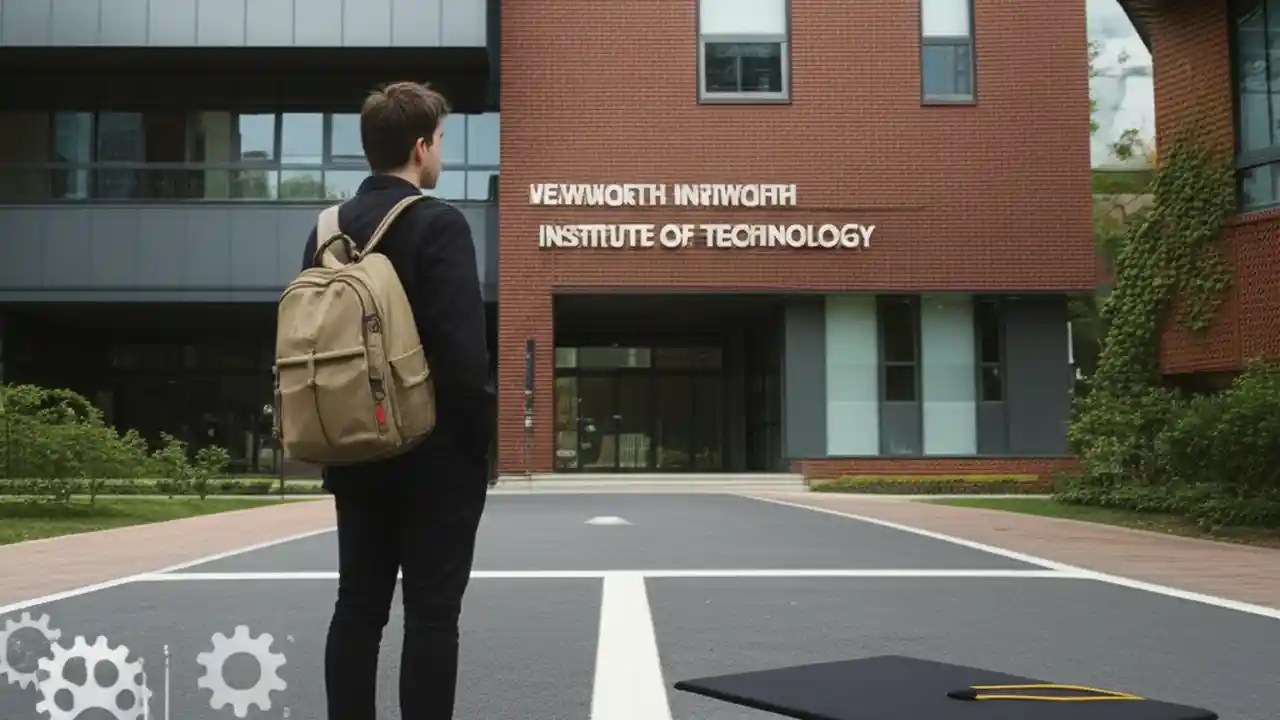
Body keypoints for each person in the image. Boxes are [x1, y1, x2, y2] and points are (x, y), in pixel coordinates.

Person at [300, 81, 495, 720]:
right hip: (432, 454)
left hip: (352, 446)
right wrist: (478, 449)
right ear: (420, 147)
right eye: (439, 141)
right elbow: (464, 360)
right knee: (432, 615)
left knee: (356, 605)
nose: (440, 152)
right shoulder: (438, 223)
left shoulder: (327, 229)